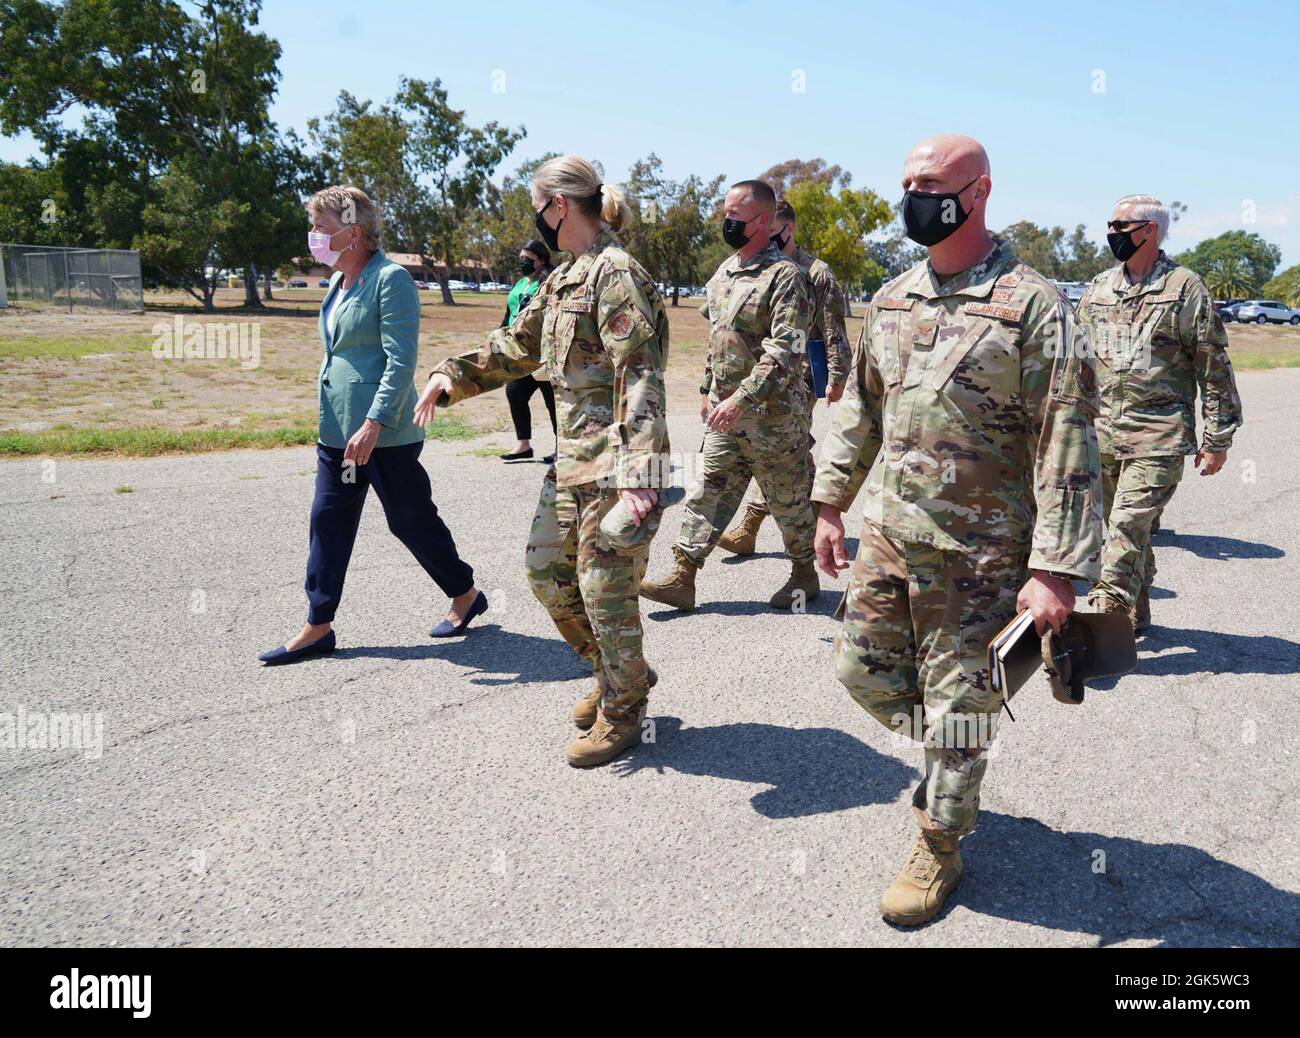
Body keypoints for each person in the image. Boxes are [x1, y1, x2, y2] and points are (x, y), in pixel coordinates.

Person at [812, 135, 1104, 925]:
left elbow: (1069, 435)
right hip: (892, 534)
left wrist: (1057, 566)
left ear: (977, 192)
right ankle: (955, 752)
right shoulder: (896, 294)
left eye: (930, 183)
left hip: (983, 554)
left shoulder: (1035, 303)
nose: (914, 196)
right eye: (907, 182)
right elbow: (862, 410)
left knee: (958, 703)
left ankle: (941, 835)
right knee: (862, 673)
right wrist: (830, 503)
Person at [413, 156, 670, 768]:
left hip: (614, 464)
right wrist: (452, 375)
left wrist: (642, 476)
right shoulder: (565, 278)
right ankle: (617, 672)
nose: (536, 215)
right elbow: (517, 345)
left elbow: (641, 375)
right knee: (547, 574)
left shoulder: (616, 274)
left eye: (537, 203)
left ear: (558, 204)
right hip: (571, 460)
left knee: (605, 588)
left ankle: (625, 707)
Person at [259, 186, 486, 666]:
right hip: (337, 432)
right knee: (328, 521)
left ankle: (464, 594)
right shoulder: (339, 283)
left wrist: (374, 422)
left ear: (354, 233)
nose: (313, 237)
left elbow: (400, 362)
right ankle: (317, 625)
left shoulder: (392, 279)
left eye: (322, 228)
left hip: (384, 436)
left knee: (409, 521)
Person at [639, 179, 818, 611]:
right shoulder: (724, 273)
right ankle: (683, 576)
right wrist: (708, 389)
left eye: (735, 216)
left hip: (773, 419)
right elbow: (717, 338)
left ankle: (804, 573)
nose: (726, 222)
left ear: (762, 221)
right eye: (725, 214)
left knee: (788, 500)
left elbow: (785, 351)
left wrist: (741, 398)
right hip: (726, 414)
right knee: (708, 491)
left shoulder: (786, 277)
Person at [1076, 195, 1243, 632]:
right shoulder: (1098, 288)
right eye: (1109, 224)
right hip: (1104, 432)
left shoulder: (1185, 288)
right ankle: (1137, 608)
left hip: (1159, 433)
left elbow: (1213, 364)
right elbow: (1077, 360)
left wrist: (1217, 440)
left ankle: (1100, 626)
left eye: (1121, 225)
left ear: (1150, 230)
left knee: (1128, 524)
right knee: (1119, 530)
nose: (1111, 232)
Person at [716, 196, 853, 557]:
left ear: (786, 229)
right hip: (760, 375)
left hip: (802, 375)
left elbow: (833, 327)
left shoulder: (815, 272)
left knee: (786, 448)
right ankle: (801, 521)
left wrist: (837, 374)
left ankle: (758, 525)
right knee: (787, 451)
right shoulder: (754, 267)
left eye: (773, 231)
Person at [501, 239, 558, 463]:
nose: (523, 263)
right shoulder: (521, 283)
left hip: (541, 351)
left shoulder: (549, 281)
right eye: (521, 259)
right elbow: (509, 312)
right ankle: (523, 444)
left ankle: (561, 448)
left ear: (541, 260)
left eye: (528, 259)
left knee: (552, 400)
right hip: (520, 350)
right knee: (514, 392)